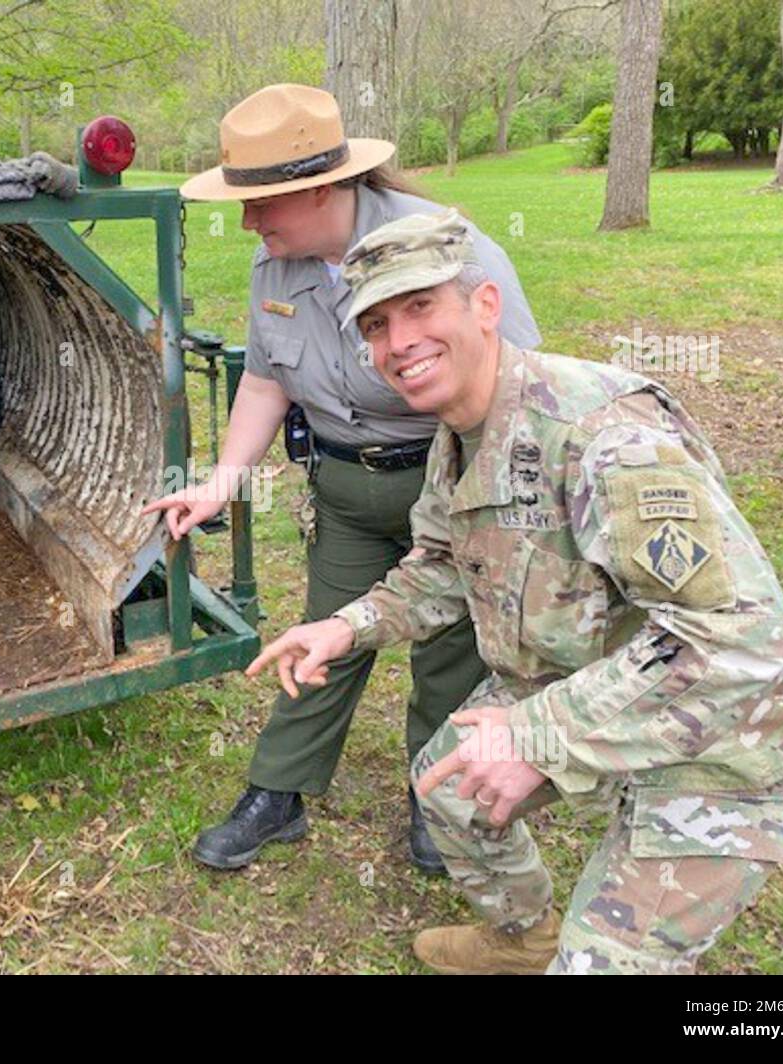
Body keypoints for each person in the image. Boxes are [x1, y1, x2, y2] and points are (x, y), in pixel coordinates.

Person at [247, 210, 783, 974]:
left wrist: (533, 737)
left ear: (485, 306)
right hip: (589, 681)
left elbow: (731, 640)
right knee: (450, 785)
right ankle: (522, 937)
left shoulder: (605, 435)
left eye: (422, 307)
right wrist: (345, 628)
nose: (400, 343)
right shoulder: (460, 432)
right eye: (378, 324)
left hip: (724, 739)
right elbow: (442, 565)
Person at [144, 84, 541, 874]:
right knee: (324, 634)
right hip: (346, 491)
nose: (250, 222)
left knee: (451, 650)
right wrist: (223, 480)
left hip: (448, 487)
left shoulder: (446, 252)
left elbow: (519, 387)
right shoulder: (276, 269)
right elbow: (265, 381)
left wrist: (494, 506)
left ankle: (437, 796)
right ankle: (277, 792)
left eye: (261, 204)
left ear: (321, 188)